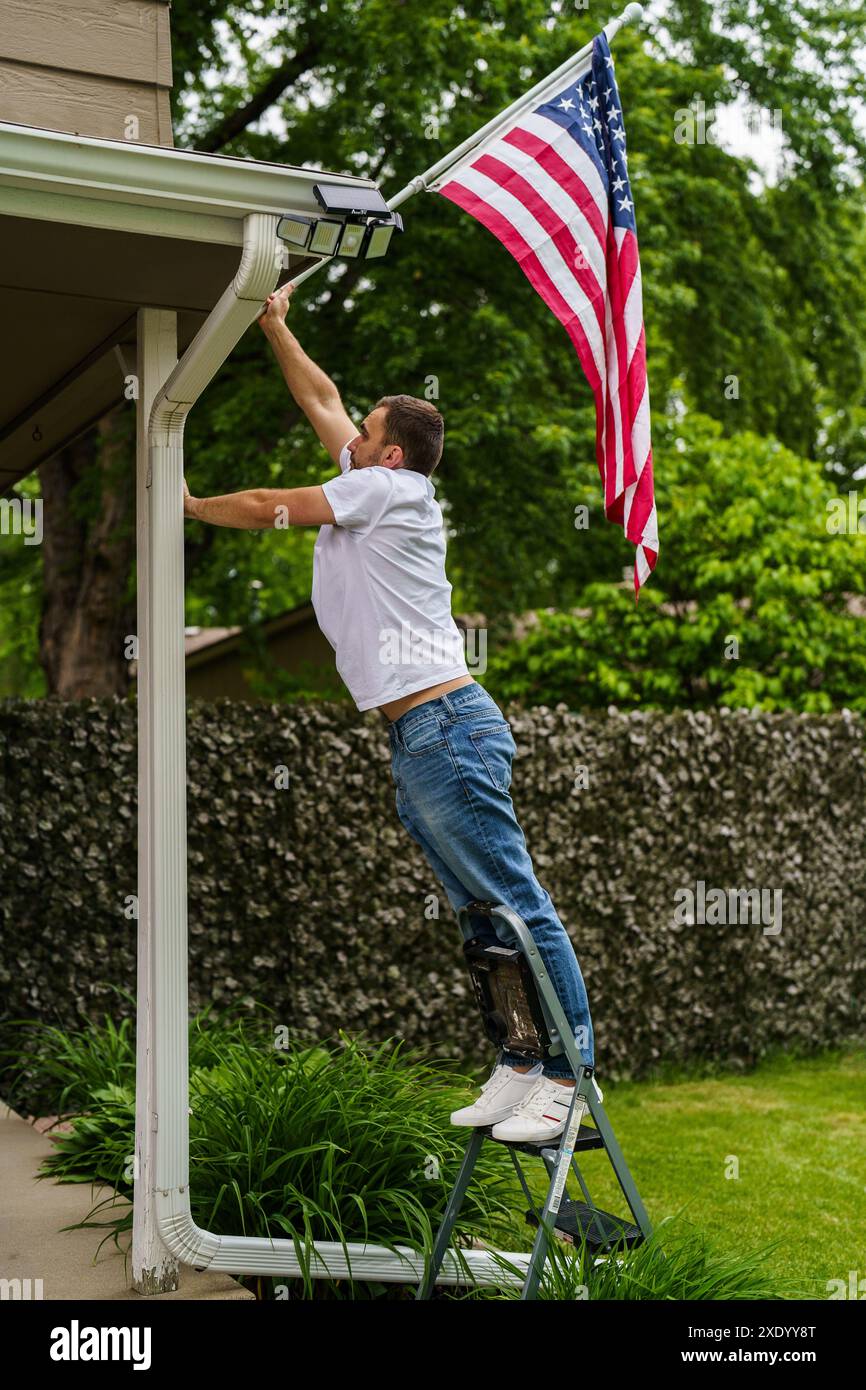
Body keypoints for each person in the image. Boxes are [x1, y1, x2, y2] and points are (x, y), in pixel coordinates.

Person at [182, 281, 595, 1142]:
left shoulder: (387, 495)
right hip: (420, 737)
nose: (351, 439)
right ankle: (520, 1061)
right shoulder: (376, 484)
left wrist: (185, 506)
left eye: (367, 436)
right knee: (482, 919)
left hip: (448, 731)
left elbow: (270, 509)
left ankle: (570, 1077)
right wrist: (275, 326)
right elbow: (323, 398)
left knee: (518, 904)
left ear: (392, 457)